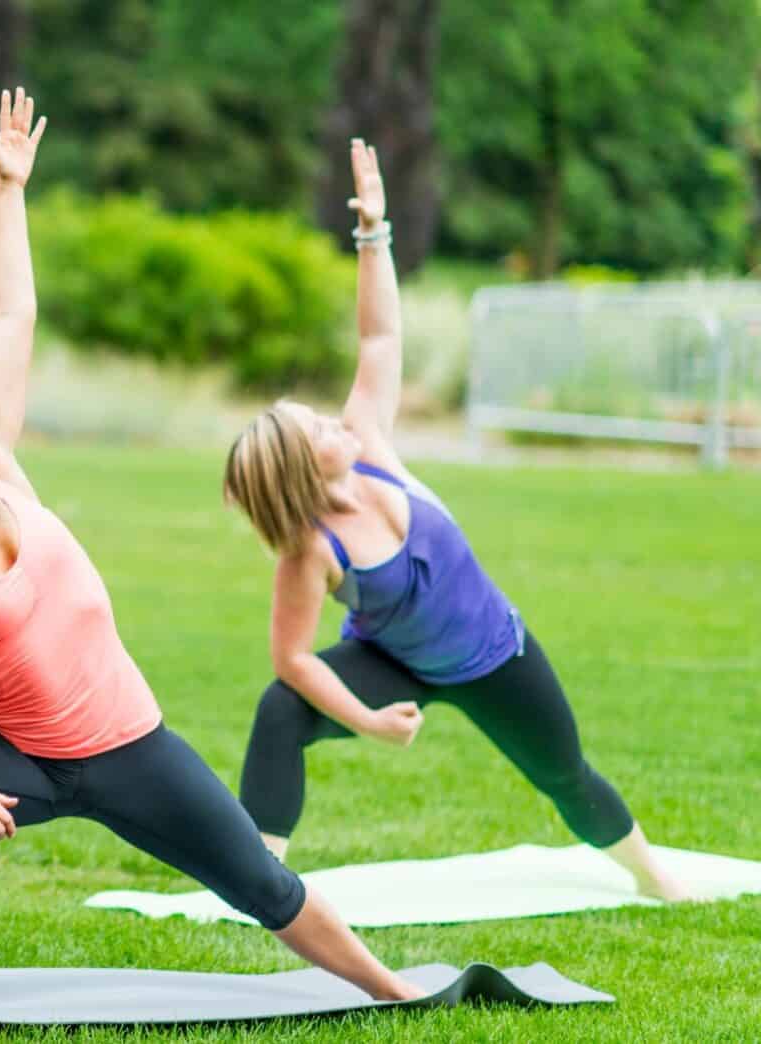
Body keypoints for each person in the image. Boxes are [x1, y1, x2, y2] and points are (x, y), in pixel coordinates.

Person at [0, 90, 424, 1013]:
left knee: (261, 886)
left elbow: (11, 322)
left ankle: (395, 993)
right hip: (22, 759)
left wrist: (9, 191)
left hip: (132, 746)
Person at [220, 139, 688, 900]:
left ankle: (654, 877)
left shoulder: (370, 444)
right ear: (304, 470)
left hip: (491, 654)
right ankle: (255, 883)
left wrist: (374, 233)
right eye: (319, 432)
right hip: (394, 661)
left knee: (566, 776)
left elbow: (379, 338)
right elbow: (294, 661)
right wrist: (369, 724)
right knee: (282, 713)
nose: (337, 424)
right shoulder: (311, 552)